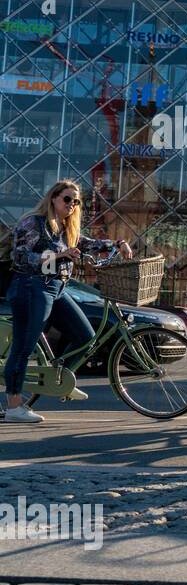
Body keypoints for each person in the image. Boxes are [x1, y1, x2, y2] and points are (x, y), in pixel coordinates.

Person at [4, 180, 132, 424]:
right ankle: (13, 405)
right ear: (53, 198)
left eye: (76, 201)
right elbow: (20, 256)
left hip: (57, 288)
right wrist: (60, 254)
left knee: (85, 336)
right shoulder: (34, 222)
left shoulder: (64, 228)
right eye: (67, 199)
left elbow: (85, 243)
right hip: (32, 286)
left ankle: (61, 378)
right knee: (24, 347)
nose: (72, 204)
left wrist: (115, 244)